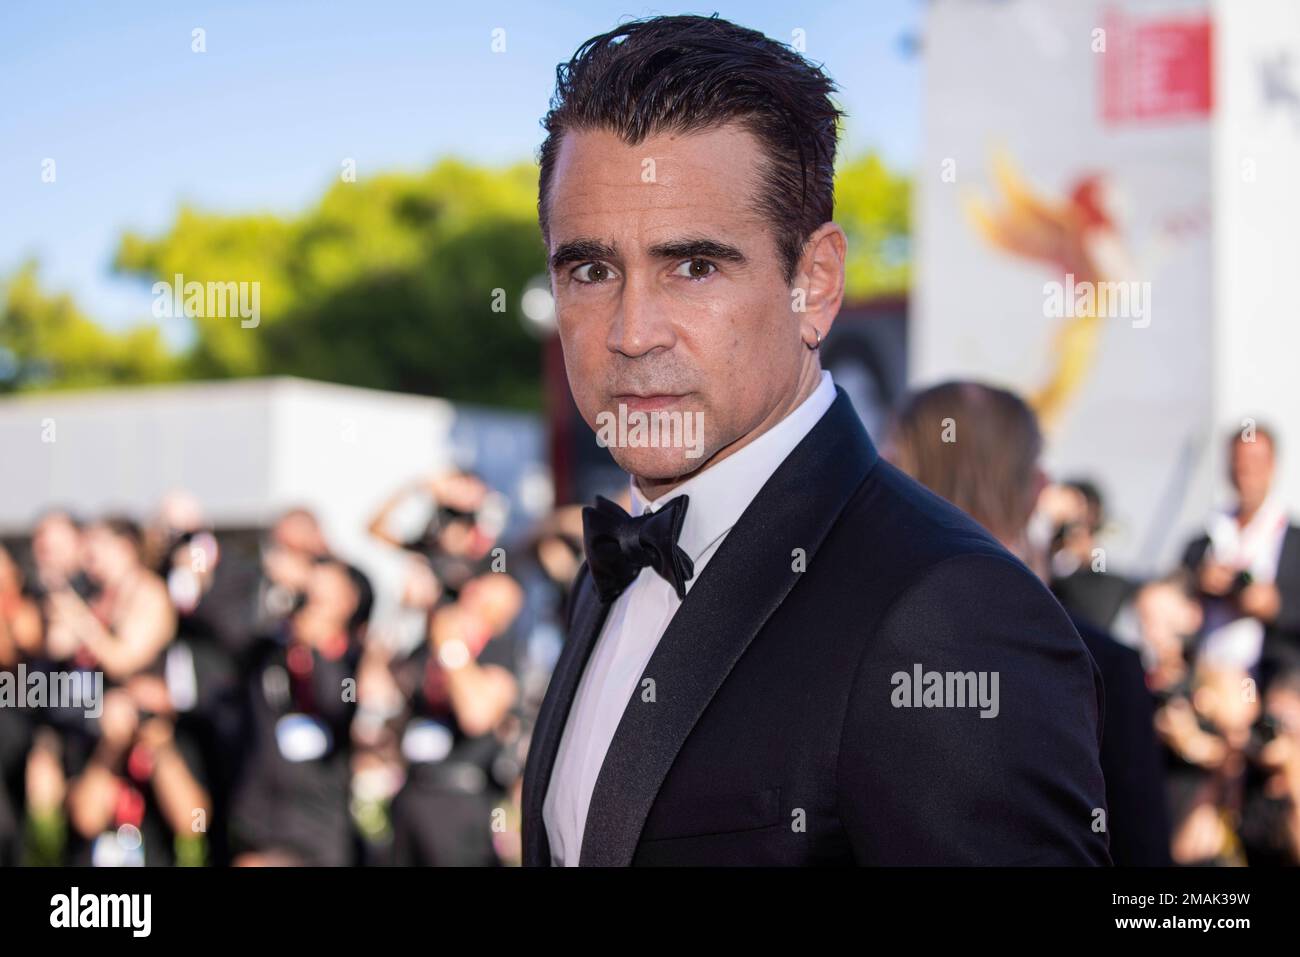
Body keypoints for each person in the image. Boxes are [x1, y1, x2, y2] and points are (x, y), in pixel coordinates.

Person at [522, 15, 1108, 866]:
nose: (632, 331)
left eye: (694, 266)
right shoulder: (613, 567)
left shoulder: (948, 611)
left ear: (816, 284)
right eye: (591, 270)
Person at [885, 381, 1171, 865]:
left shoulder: (840, 637)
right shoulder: (1092, 664)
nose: (1045, 484)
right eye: (1036, 465)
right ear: (1021, 484)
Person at [1181, 425, 1300, 683]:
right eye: (1239, 461)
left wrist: (1276, 607)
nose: (1246, 471)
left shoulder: (1293, 543)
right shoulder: (1205, 539)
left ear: (1272, 466)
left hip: (1269, 684)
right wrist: (1200, 583)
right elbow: (1175, 595)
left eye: (1255, 461)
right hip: (1204, 679)